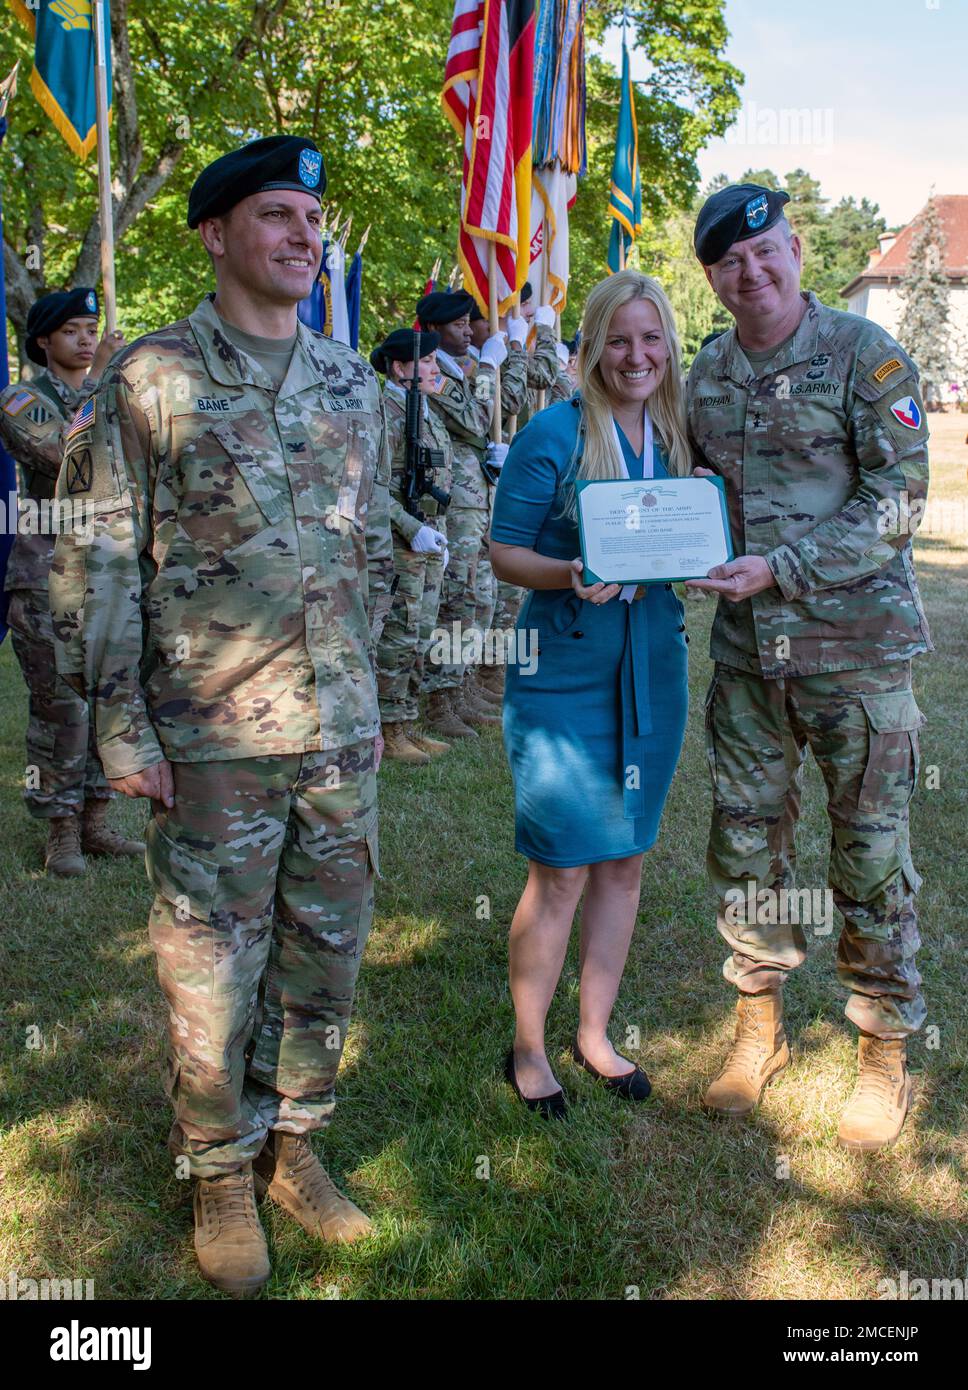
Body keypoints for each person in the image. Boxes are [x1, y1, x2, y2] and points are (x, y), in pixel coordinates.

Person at [50, 135, 392, 1296]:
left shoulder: (353, 383)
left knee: (326, 950)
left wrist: (378, 693)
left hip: (337, 729)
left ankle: (296, 1142)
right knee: (211, 966)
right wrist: (119, 730)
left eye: (311, 218)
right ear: (215, 233)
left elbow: (371, 550)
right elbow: (99, 561)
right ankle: (216, 1167)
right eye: (277, 216)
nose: (304, 237)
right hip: (212, 736)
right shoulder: (148, 376)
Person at [686, 183, 931, 1150]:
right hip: (750, 663)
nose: (754, 274)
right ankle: (759, 1034)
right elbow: (688, 478)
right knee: (747, 848)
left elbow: (900, 495)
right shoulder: (706, 372)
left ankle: (881, 1054)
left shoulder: (863, 356)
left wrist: (784, 567)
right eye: (731, 264)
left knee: (868, 854)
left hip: (855, 659)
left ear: (794, 249)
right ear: (713, 277)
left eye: (767, 253)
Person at [489, 270, 691, 1117]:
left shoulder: (680, 433)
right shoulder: (554, 433)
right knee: (563, 871)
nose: (635, 355)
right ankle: (529, 1048)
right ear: (593, 344)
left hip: (654, 668)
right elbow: (505, 553)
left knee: (625, 863)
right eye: (619, 338)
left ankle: (595, 1034)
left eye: (651, 339)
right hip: (564, 673)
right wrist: (570, 573)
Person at [0, 289, 141, 876]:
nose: (87, 340)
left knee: (106, 699)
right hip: (45, 573)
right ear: (42, 341)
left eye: (92, 329)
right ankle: (60, 829)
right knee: (58, 706)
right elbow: (66, 453)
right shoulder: (20, 397)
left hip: (107, 568)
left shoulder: (109, 393)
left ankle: (96, 819)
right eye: (73, 332)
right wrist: (102, 376)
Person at [416, 288, 526, 737]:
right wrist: (490, 365)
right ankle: (439, 699)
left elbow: (488, 421)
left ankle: (462, 687)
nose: (468, 329)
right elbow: (478, 419)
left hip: (476, 496)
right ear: (436, 330)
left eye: (468, 322)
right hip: (454, 502)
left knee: (481, 595)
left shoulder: (457, 369)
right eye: (458, 324)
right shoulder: (431, 373)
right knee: (459, 597)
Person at [370, 327, 454, 763]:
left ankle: (405, 719)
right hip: (400, 543)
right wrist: (410, 526)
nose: (435, 369)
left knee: (419, 634)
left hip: (427, 537)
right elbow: (370, 483)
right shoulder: (384, 411)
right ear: (401, 368)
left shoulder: (422, 409)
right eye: (427, 362)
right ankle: (388, 727)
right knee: (398, 637)